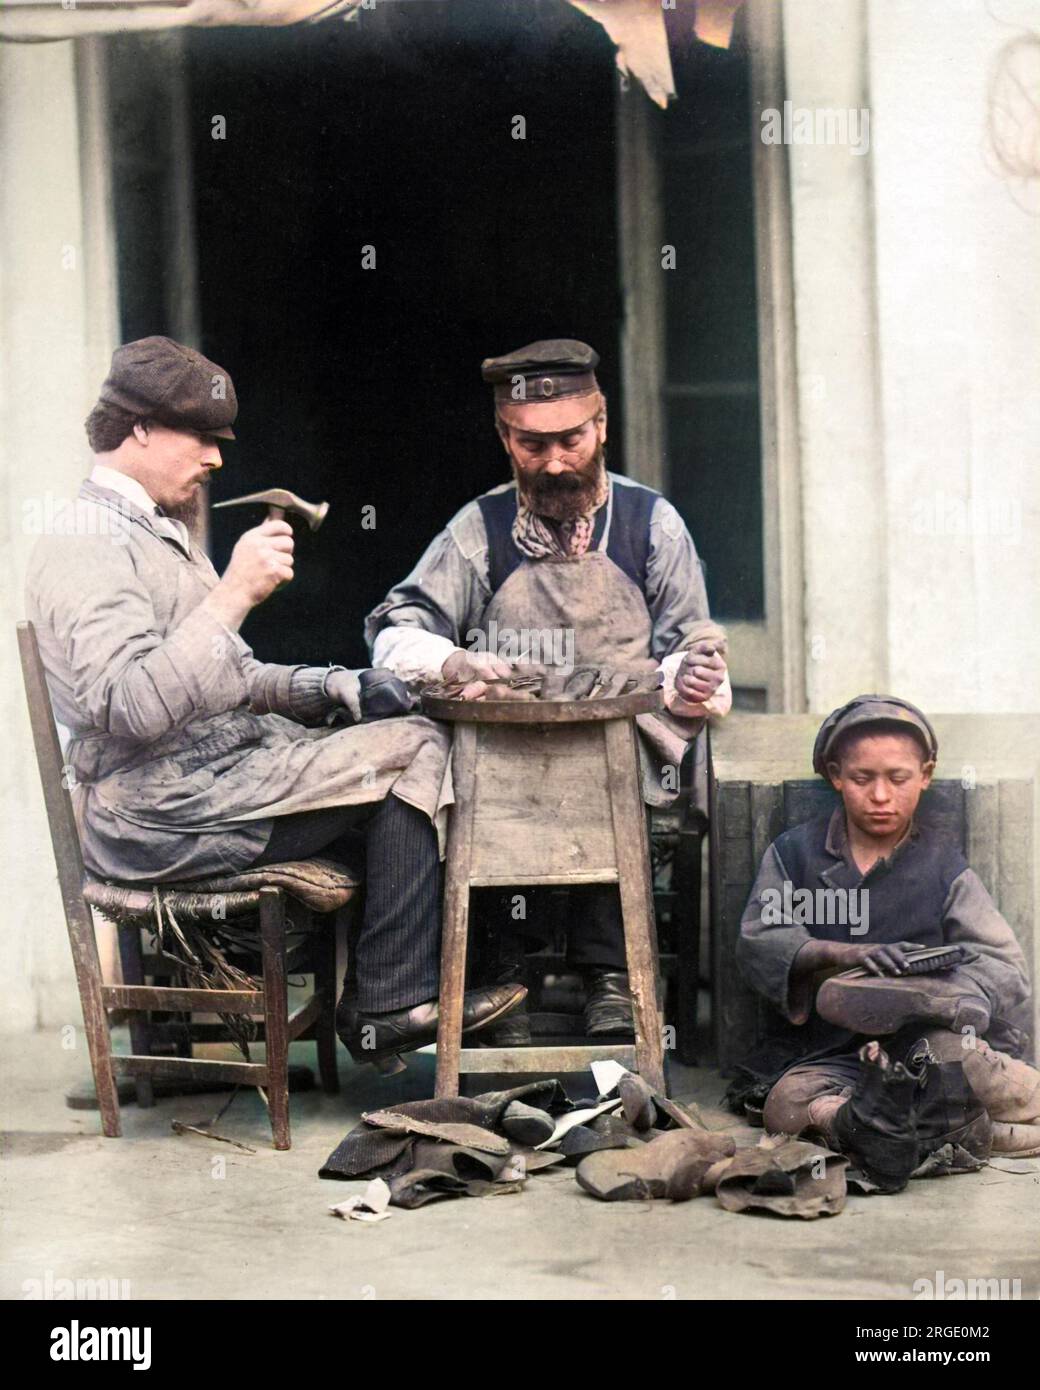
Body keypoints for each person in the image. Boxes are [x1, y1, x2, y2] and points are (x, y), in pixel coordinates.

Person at [25, 336, 524, 1072]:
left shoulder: (153, 529)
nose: (216, 459)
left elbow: (227, 676)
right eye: (201, 438)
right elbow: (127, 705)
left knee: (400, 732)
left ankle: (407, 992)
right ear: (138, 429)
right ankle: (389, 1005)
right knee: (418, 750)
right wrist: (232, 595)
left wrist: (335, 686)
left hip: (208, 780)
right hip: (159, 810)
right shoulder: (87, 544)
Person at [365, 339, 731, 1039]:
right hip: (507, 756)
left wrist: (695, 678)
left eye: (570, 439)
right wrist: (452, 664)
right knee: (485, 790)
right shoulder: (477, 531)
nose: (556, 461)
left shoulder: (652, 524)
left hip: (619, 750)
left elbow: (690, 646)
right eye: (533, 445)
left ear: (601, 426)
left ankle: (614, 973)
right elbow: (394, 633)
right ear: (506, 438)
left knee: (607, 776)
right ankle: (504, 978)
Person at [736, 695, 1033, 1189]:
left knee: (959, 1063)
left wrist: (936, 990)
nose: (880, 795)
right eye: (861, 778)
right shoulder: (795, 853)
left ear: (925, 775)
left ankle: (915, 1132)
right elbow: (761, 938)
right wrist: (842, 954)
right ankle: (878, 1125)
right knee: (784, 1105)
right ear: (835, 775)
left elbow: (1003, 963)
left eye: (897, 779)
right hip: (837, 1052)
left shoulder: (941, 865)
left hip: (927, 1045)